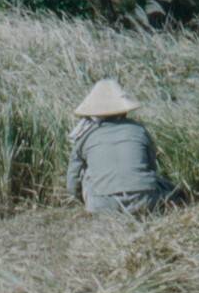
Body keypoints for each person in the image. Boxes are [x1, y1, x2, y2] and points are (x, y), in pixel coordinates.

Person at [65, 80, 180, 215]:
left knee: (86, 172)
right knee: (162, 183)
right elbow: (151, 167)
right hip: (144, 201)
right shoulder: (139, 129)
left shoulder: (85, 136)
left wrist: (86, 199)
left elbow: (73, 182)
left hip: (102, 206)